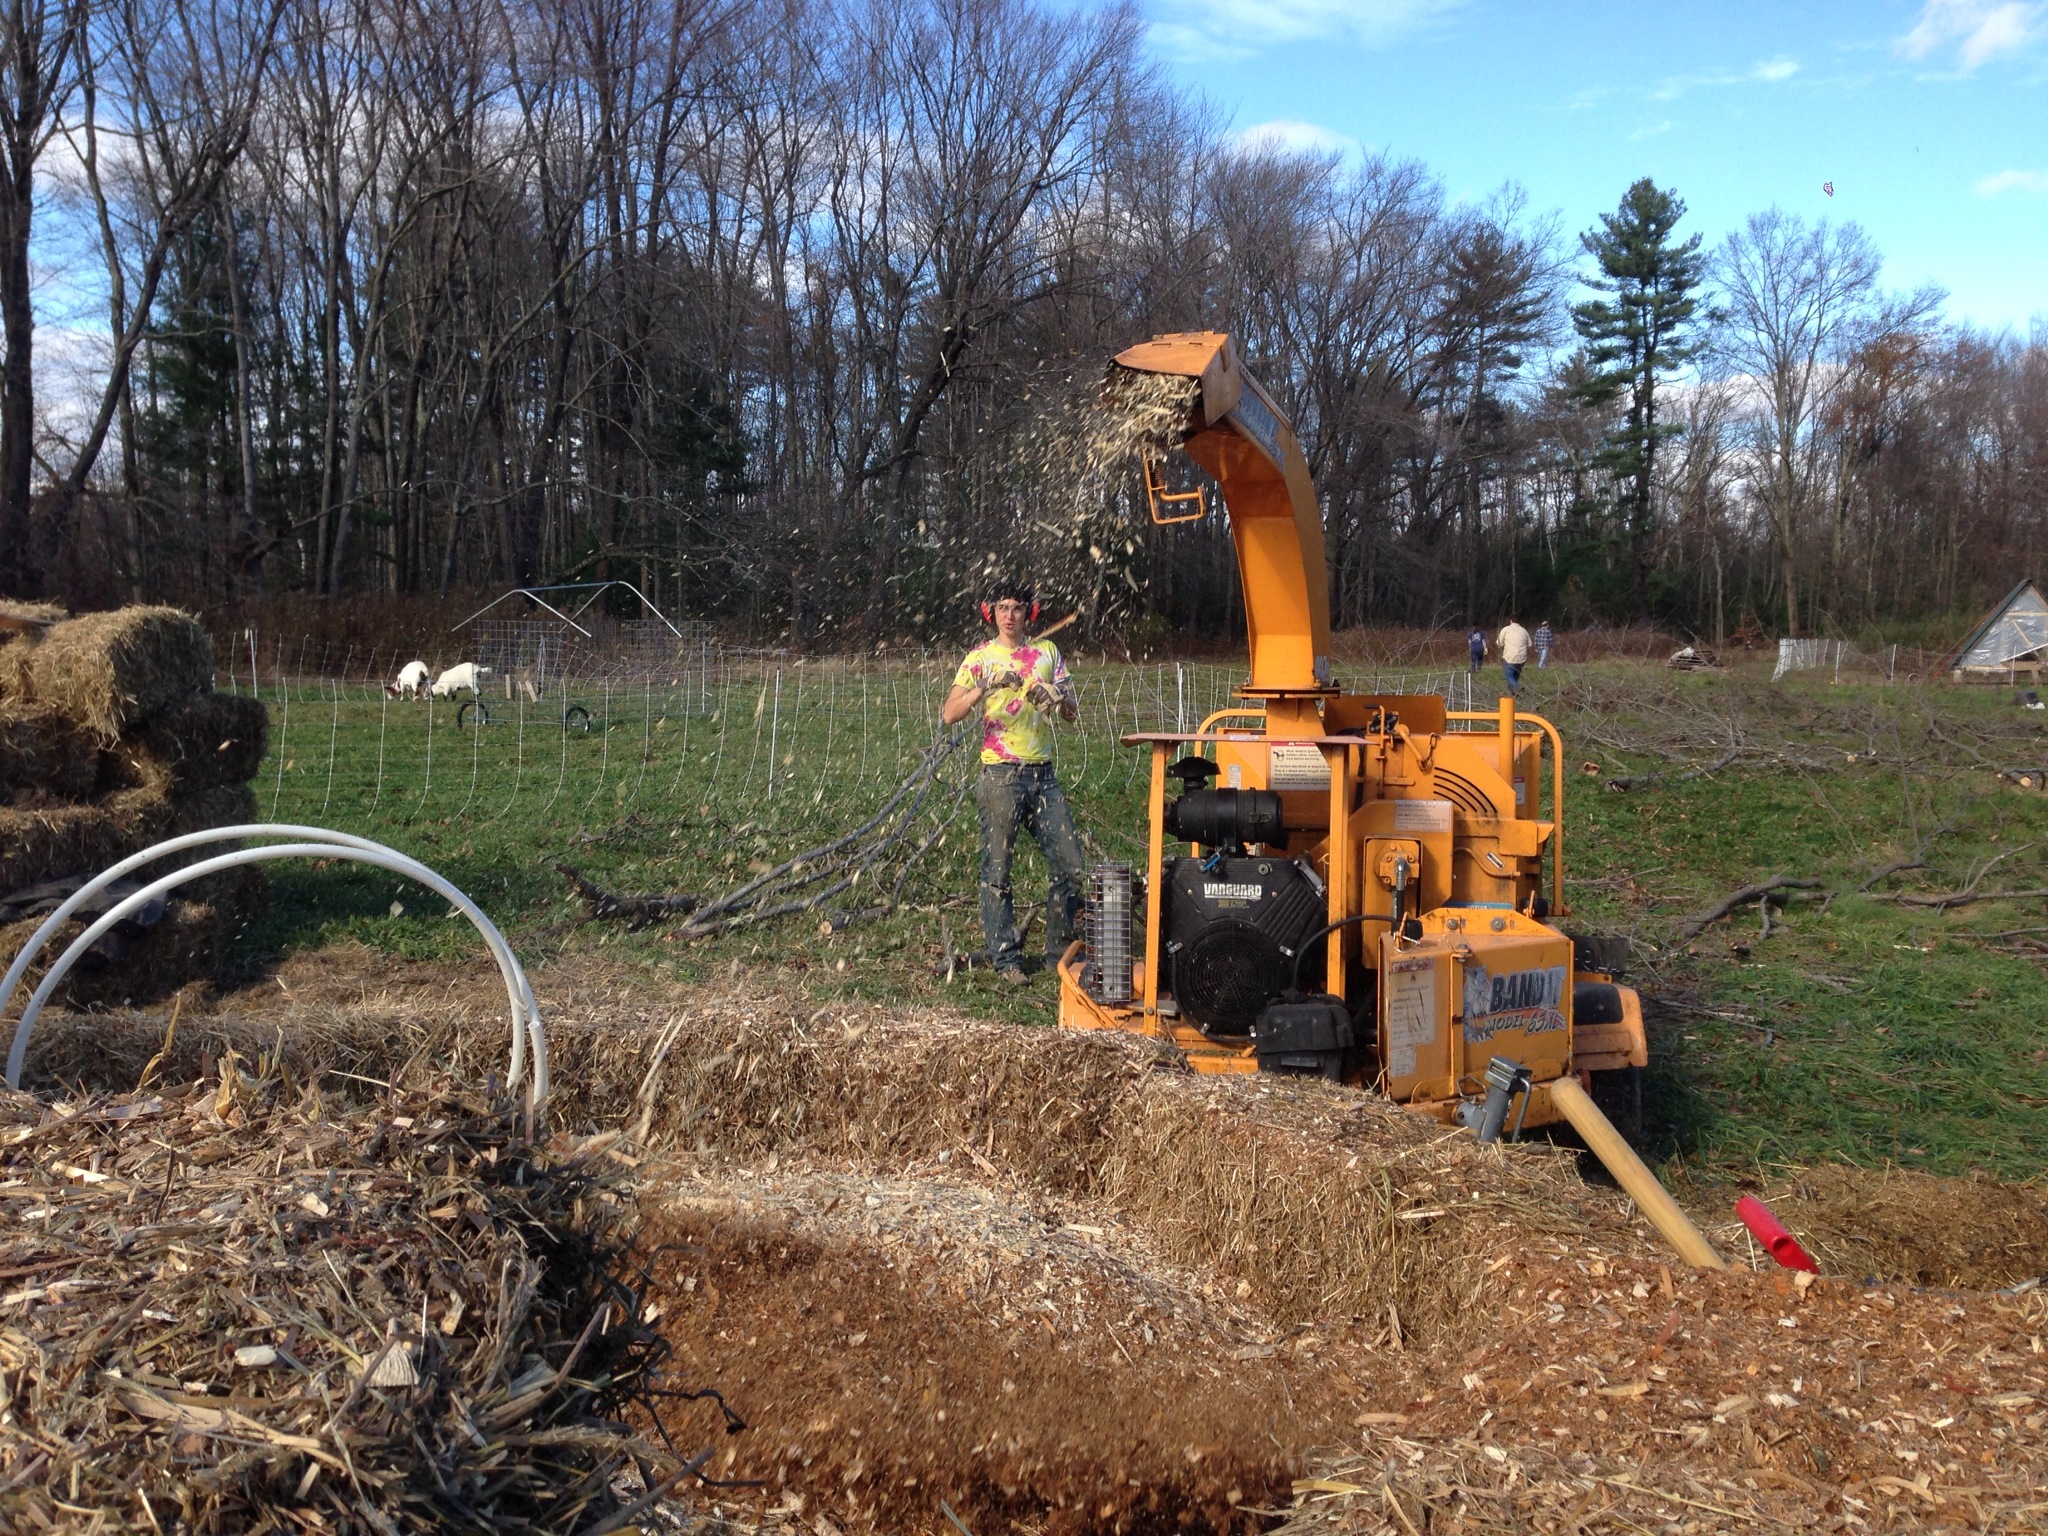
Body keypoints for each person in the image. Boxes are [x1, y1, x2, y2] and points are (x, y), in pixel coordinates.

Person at [942, 580, 1083, 986]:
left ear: (1029, 613)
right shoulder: (980, 659)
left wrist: (1055, 696)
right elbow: (949, 713)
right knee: (998, 872)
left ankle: (1059, 955)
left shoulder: (1047, 653)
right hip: (1000, 776)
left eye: (1017, 608)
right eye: (1002, 608)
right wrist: (985, 687)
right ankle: (1006, 961)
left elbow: (1072, 713)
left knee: (1070, 866)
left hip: (1043, 775)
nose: (1009, 615)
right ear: (991, 613)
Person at [1497, 616, 1532, 697]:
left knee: (1508, 675)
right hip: (1522, 658)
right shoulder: (1524, 631)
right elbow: (1530, 644)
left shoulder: (1506, 629)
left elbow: (1499, 643)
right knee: (1515, 676)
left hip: (1510, 656)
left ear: (1511, 621)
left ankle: (1517, 687)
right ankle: (1512, 694)